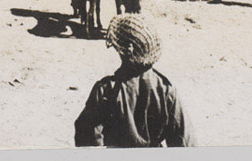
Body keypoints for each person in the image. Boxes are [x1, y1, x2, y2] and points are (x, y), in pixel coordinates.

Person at [74, 14, 194, 147]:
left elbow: (86, 136)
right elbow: (185, 143)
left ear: (121, 50)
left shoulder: (105, 89)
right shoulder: (167, 90)